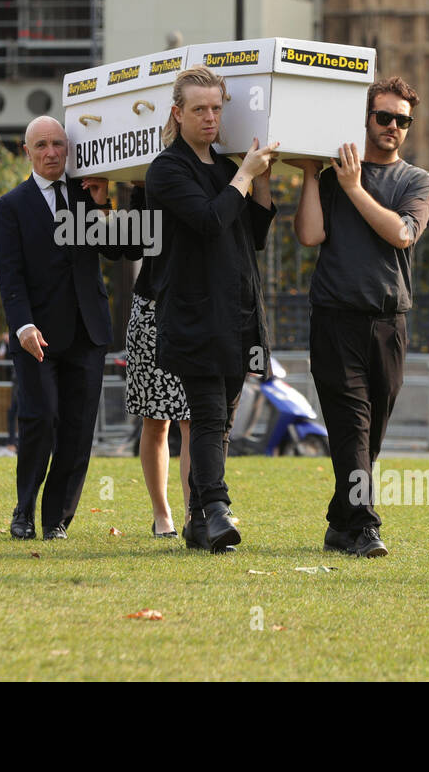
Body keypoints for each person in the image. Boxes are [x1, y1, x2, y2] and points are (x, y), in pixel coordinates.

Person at [291, 76, 429, 558]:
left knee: (370, 434)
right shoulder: (331, 178)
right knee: (352, 425)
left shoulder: (416, 180)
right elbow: (309, 236)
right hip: (334, 317)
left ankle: (339, 522)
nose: (394, 126)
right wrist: (313, 175)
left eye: (403, 120)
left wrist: (354, 187)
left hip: (389, 321)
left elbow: (402, 234)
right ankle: (366, 526)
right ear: (366, 118)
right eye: (385, 117)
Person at [147, 66, 278, 553]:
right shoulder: (167, 169)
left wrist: (259, 178)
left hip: (238, 314)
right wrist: (245, 174)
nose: (210, 118)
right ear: (178, 113)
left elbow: (255, 234)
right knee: (206, 417)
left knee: (221, 420)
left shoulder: (227, 169)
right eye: (199, 109)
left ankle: (200, 523)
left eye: (217, 109)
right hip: (194, 317)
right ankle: (217, 510)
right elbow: (209, 220)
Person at [0, 115, 124, 540]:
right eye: (42, 145)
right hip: (38, 337)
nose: (51, 152)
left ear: (68, 149)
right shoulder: (10, 206)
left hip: (88, 332)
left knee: (78, 427)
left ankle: (57, 520)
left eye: (58, 145)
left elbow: (125, 249)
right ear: (27, 151)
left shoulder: (90, 197)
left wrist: (105, 206)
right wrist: (23, 325)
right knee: (40, 418)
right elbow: (9, 275)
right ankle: (24, 509)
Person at [124, 181, 191, 538]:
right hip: (152, 306)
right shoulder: (150, 183)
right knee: (156, 421)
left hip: (197, 307)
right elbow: (132, 246)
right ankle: (161, 513)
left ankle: (195, 512)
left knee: (194, 421)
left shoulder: (213, 173)